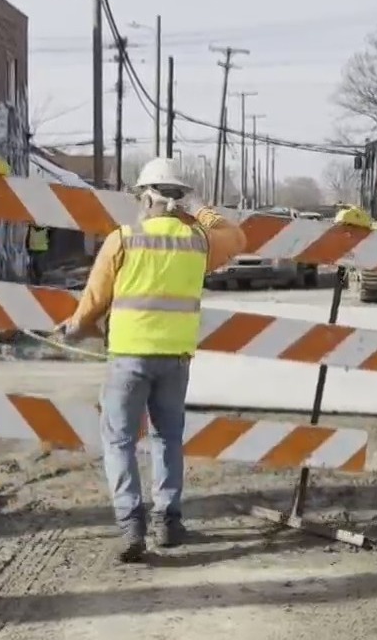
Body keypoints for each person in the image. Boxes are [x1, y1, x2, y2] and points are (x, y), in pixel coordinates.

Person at [56, 157, 245, 562]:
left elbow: (95, 298)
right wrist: (202, 211)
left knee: (120, 440)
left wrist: (75, 326)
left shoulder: (124, 238)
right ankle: (168, 521)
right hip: (175, 358)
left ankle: (131, 525)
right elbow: (237, 237)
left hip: (128, 356)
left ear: (145, 196)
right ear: (180, 198)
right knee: (168, 437)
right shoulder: (200, 241)